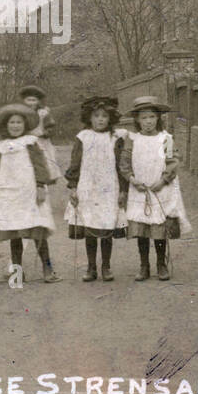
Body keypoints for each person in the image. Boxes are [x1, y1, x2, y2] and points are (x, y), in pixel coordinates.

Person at [119, 96, 191, 281]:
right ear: (137, 120)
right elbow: (125, 163)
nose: (148, 121)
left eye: (151, 117)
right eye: (144, 118)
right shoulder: (132, 139)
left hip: (159, 188)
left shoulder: (165, 139)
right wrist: (133, 180)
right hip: (140, 188)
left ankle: (161, 263)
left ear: (158, 118)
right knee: (142, 228)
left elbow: (172, 162)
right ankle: (144, 265)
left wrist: (164, 180)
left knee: (159, 228)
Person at [0, 102, 61, 283]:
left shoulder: (30, 143)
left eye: (19, 123)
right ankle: (17, 272)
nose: (15, 126)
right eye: (11, 123)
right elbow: (1, 168)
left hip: (30, 193)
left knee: (37, 230)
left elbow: (40, 166)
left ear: (25, 125)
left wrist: (39, 186)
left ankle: (48, 269)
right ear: (6, 126)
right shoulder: (3, 146)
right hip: (11, 195)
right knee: (15, 233)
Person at [63, 96, 128, 282]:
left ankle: (106, 266)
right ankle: (91, 267)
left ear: (110, 118)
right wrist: (73, 188)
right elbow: (75, 164)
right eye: (96, 116)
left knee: (107, 225)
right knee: (90, 227)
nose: (100, 119)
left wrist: (123, 190)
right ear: (89, 118)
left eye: (104, 116)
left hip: (109, 188)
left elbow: (120, 165)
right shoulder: (83, 137)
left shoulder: (116, 138)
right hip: (88, 188)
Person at [18, 85, 62, 183]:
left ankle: (43, 182)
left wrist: (44, 133)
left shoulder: (43, 113)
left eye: (34, 100)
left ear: (38, 101)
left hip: (40, 141)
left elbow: (51, 127)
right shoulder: (21, 113)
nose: (31, 103)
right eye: (28, 100)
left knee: (43, 163)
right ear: (24, 101)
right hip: (25, 142)